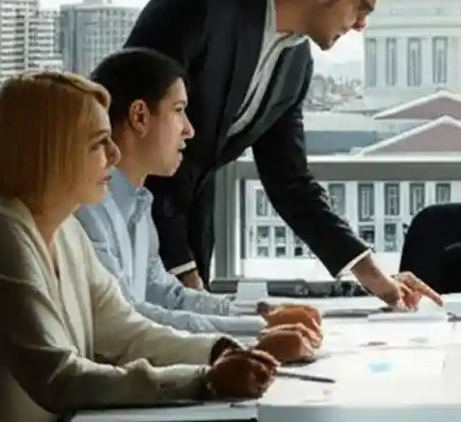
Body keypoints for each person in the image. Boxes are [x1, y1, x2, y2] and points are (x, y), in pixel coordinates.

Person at [0, 72, 280, 422]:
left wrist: (217, 350)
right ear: (51, 150)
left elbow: (125, 331)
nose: (115, 155)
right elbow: (60, 377)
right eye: (100, 142)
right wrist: (203, 380)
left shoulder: (66, 230)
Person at [127, 0, 440, 309]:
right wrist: (180, 268)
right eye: (361, 8)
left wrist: (371, 274)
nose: (362, 25)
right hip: (123, 227)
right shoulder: (197, 3)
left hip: (190, 233)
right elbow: (136, 129)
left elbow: (289, 181)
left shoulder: (297, 64)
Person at [76, 47, 325, 339]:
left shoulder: (136, 203)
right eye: (179, 111)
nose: (189, 130)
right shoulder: (88, 209)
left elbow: (168, 296)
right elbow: (129, 318)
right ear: (140, 116)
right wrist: (259, 330)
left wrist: (261, 314)